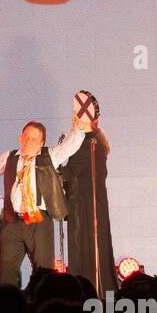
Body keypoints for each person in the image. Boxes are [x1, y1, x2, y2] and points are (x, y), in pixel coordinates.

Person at [0, 116, 80, 288]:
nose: (28, 141)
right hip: (12, 222)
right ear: (20, 137)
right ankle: (9, 308)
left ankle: (41, 307)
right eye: (25, 136)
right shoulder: (10, 157)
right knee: (7, 273)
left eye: (34, 138)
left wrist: (78, 128)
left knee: (43, 273)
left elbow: (69, 147)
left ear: (42, 142)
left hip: (38, 222)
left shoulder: (49, 156)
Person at [58, 91, 116, 294]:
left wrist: (50, 161)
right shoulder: (91, 142)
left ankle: (92, 296)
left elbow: (69, 172)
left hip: (86, 209)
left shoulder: (88, 143)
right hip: (84, 206)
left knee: (87, 252)